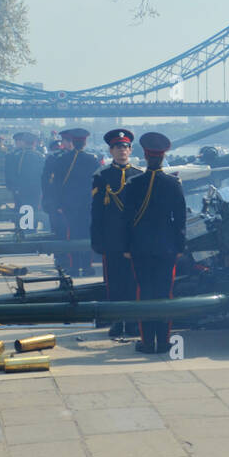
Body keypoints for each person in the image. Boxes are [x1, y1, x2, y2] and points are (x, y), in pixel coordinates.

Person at [121, 132, 187, 354]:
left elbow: (126, 219)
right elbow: (180, 219)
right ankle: (164, 341)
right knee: (164, 293)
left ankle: (147, 342)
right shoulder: (173, 183)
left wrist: (127, 247)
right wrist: (180, 247)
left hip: (139, 247)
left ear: (146, 156)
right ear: (163, 156)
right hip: (167, 247)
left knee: (144, 292)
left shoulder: (133, 183)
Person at [89, 129, 142, 339]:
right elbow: (97, 212)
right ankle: (118, 321)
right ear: (111, 151)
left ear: (130, 150)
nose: (123, 151)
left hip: (135, 240)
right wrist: (97, 240)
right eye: (118, 147)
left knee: (134, 282)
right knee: (115, 283)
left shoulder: (139, 175)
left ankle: (134, 322)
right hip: (112, 239)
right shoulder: (102, 176)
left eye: (126, 147)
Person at [41, 127, 100, 276]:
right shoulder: (92, 159)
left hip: (68, 205)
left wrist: (58, 204)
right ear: (85, 143)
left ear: (73, 141)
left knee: (71, 235)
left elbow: (56, 185)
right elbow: (97, 183)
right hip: (87, 204)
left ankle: (74, 267)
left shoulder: (62, 160)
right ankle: (87, 267)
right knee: (87, 235)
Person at [5, 132, 45, 230]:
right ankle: (30, 231)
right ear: (34, 143)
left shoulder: (16, 156)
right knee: (33, 210)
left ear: (24, 142)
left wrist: (13, 188)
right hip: (35, 190)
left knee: (22, 210)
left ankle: (22, 231)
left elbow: (11, 173)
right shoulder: (40, 156)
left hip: (20, 190)